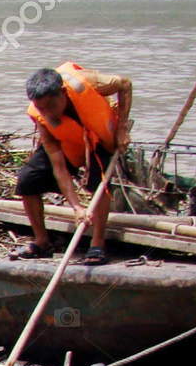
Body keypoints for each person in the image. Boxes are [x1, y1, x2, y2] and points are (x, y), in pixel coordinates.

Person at [14, 63, 133, 265]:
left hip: (99, 138)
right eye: (42, 108)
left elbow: (126, 84)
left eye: (51, 106)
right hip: (68, 142)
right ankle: (42, 241)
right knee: (27, 179)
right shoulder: (42, 116)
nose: (48, 113)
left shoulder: (88, 82)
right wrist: (77, 207)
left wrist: (121, 128)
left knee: (100, 184)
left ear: (62, 93)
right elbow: (58, 167)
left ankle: (97, 244)